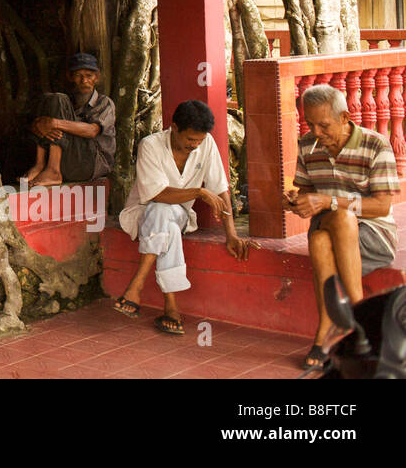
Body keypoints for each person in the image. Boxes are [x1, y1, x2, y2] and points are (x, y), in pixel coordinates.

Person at [286, 84, 400, 371]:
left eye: (323, 125)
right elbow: (306, 192)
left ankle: (331, 328)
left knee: (336, 223)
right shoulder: (307, 146)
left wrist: (328, 200)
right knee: (332, 224)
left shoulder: (376, 144)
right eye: (309, 124)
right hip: (328, 228)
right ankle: (358, 325)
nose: (316, 132)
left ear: (345, 117)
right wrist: (295, 201)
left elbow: (383, 207)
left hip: (374, 239)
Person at [113, 100, 253, 335]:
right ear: (174, 127)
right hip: (142, 213)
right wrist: (198, 192)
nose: (195, 145)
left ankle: (136, 286)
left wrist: (231, 234)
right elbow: (157, 194)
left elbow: (221, 190)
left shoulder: (206, 144)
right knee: (161, 212)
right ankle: (170, 305)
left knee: (167, 216)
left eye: (199, 140)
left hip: (180, 214)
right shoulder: (150, 145)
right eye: (190, 140)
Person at [22, 53, 116, 187]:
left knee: (58, 99)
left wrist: (54, 123)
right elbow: (43, 124)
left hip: (90, 166)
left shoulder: (104, 102)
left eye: (89, 76)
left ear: (97, 77)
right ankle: (40, 164)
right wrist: (39, 126)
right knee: (48, 98)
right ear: (70, 77)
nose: (84, 81)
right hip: (68, 163)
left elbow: (92, 131)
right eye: (79, 76)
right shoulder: (68, 102)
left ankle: (53, 170)